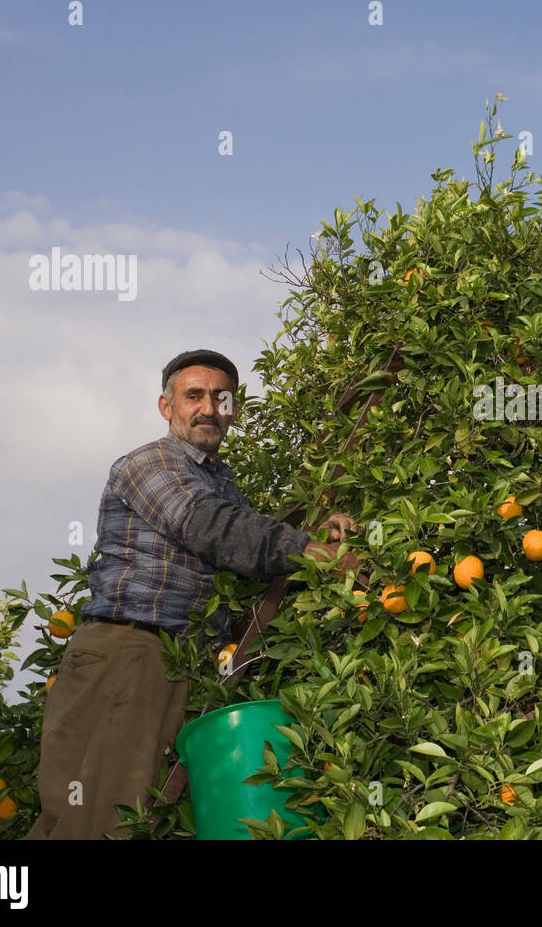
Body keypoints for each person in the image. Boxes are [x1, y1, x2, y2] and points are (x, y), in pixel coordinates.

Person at [25, 349, 358, 840]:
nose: (207, 408)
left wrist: (319, 532)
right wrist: (311, 551)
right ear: (167, 407)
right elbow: (212, 528)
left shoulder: (218, 482)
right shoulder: (151, 462)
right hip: (131, 653)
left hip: (181, 663)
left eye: (219, 398)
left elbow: (250, 537)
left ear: (233, 409)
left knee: (139, 820)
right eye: (193, 396)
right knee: (97, 816)